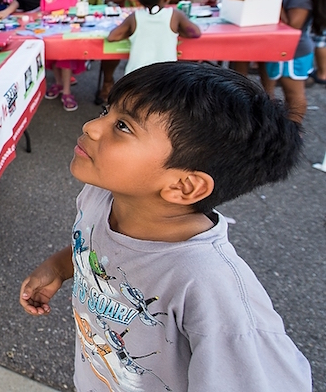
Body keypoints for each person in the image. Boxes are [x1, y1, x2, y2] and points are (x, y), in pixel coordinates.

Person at [19, 62, 312, 392]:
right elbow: (93, 247)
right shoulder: (99, 197)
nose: (91, 126)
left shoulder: (213, 291)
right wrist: (58, 266)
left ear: (185, 186)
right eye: (105, 111)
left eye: (124, 126)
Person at [23, 0, 93, 111]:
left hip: (69, 16)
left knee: (66, 54)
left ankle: (67, 91)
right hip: (49, 17)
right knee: (53, 53)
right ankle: (60, 84)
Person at [257, 0, 326, 123]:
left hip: (294, 53)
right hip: (285, 50)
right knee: (280, 88)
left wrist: (276, 4)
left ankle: (295, 128)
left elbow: (293, 27)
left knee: (293, 93)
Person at [107, 0, 201, 74]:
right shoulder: (175, 15)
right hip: (165, 75)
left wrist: (130, 32)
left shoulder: (134, 17)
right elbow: (195, 32)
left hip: (137, 74)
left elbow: (112, 37)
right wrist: (179, 31)